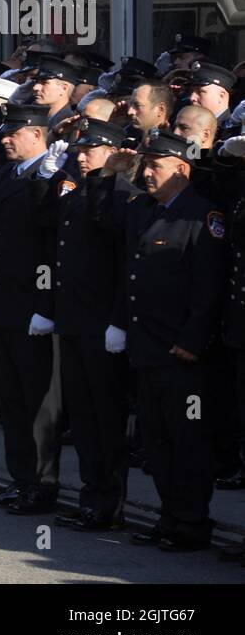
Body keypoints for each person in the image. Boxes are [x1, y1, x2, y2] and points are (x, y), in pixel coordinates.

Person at [100, 131, 230, 551]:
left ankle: (191, 523)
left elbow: (208, 288)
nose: (147, 173)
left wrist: (193, 340)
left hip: (183, 355)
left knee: (187, 439)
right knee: (156, 441)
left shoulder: (202, 216)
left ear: (182, 169)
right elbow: (127, 271)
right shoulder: (142, 209)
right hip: (148, 347)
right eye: (146, 164)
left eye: (155, 166)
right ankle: (170, 515)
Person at [39, 118, 130, 530]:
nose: (80, 154)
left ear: (112, 152)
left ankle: (108, 502)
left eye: (90, 149)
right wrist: (52, 173)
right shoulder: (76, 187)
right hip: (73, 320)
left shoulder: (119, 192)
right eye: (79, 148)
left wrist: (117, 321)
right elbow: (44, 223)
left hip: (102, 323)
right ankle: (91, 495)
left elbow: (113, 242)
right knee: (85, 415)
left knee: (106, 417)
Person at [0, 103, 63, 514]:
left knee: (37, 405)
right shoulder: (5, 175)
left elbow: (51, 245)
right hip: (5, 305)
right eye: (3, 133)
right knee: (11, 401)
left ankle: (43, 484)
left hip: (34, 309)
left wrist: (45, 306)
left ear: (38, 135)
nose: (5, 139)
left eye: (14, 133)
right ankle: (21, 479)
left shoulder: (53, 175)